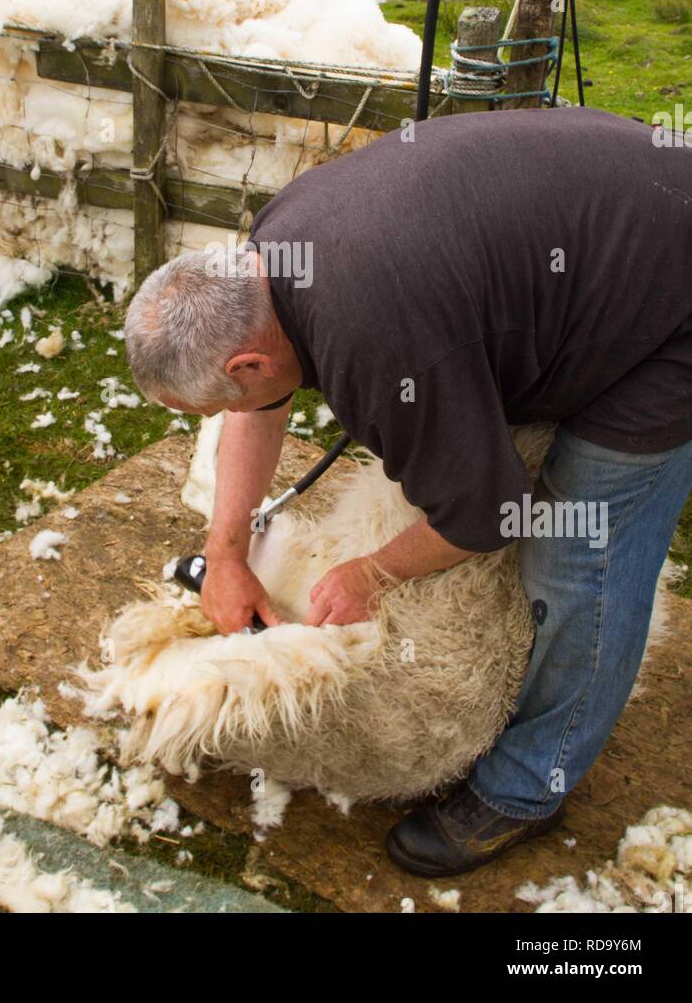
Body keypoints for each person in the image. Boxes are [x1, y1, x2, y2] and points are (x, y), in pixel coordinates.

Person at [124, 107, 692, 876]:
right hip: (623, 214)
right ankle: (575, 341)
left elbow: (488, 515)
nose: (234, 414)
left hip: (676, 303)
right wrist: (224, 552)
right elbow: (259, 407)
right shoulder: (269, 261)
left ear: (248, 362)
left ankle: (528, 786)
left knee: (578, 547)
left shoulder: (374, 339)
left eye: (220, 403)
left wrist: (371, 573)